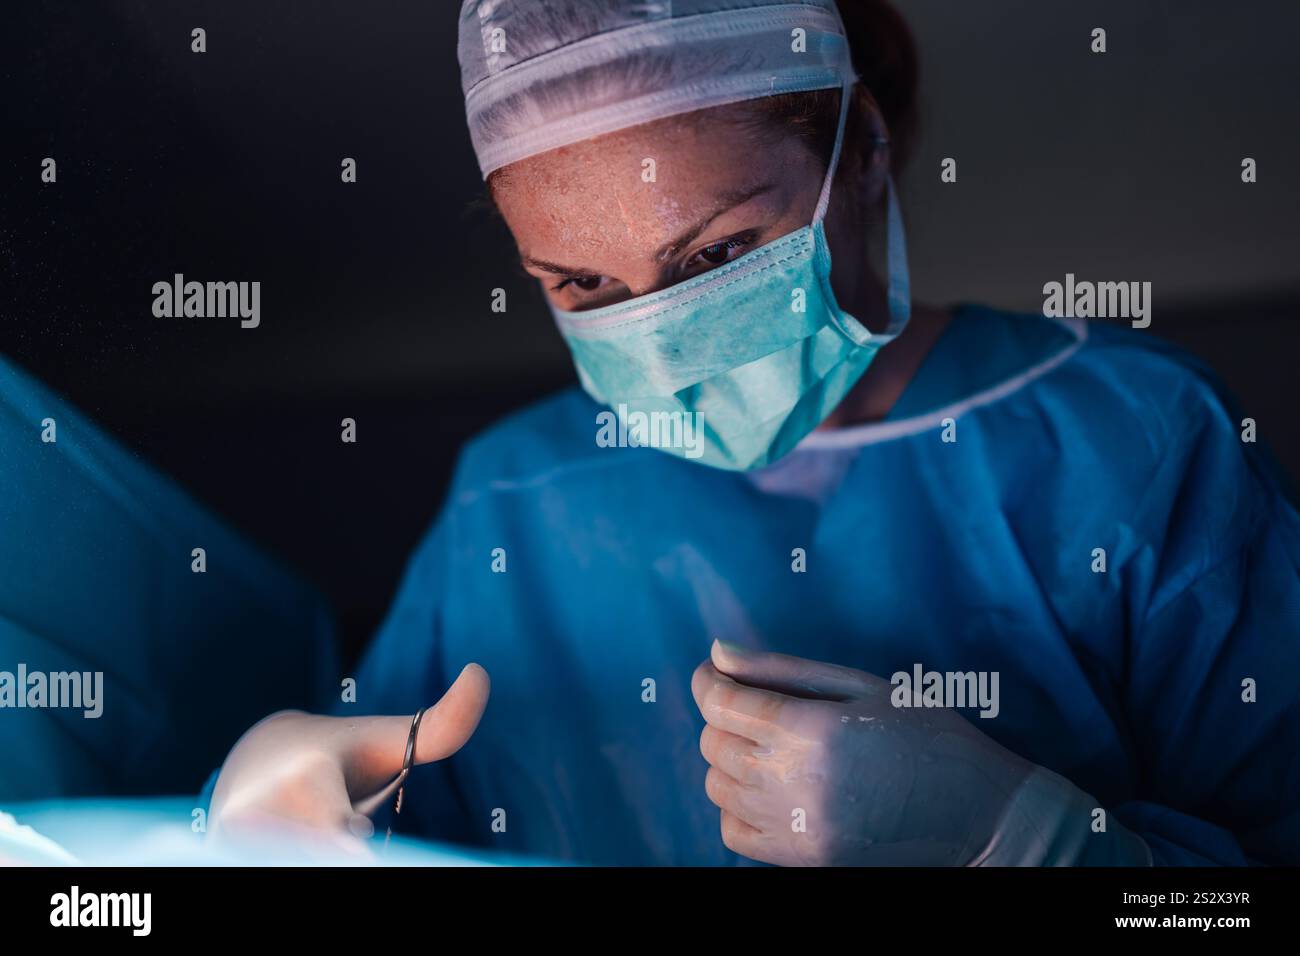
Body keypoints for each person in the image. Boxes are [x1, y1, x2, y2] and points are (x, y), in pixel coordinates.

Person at [208, 0, 1300, 865]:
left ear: (860, 147)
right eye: (584, 284)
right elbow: (373, 806)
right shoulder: (511, 497)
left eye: (718, 259)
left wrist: (1026, 839)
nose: (667, 355)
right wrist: (238, 822)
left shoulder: (1139, 443)